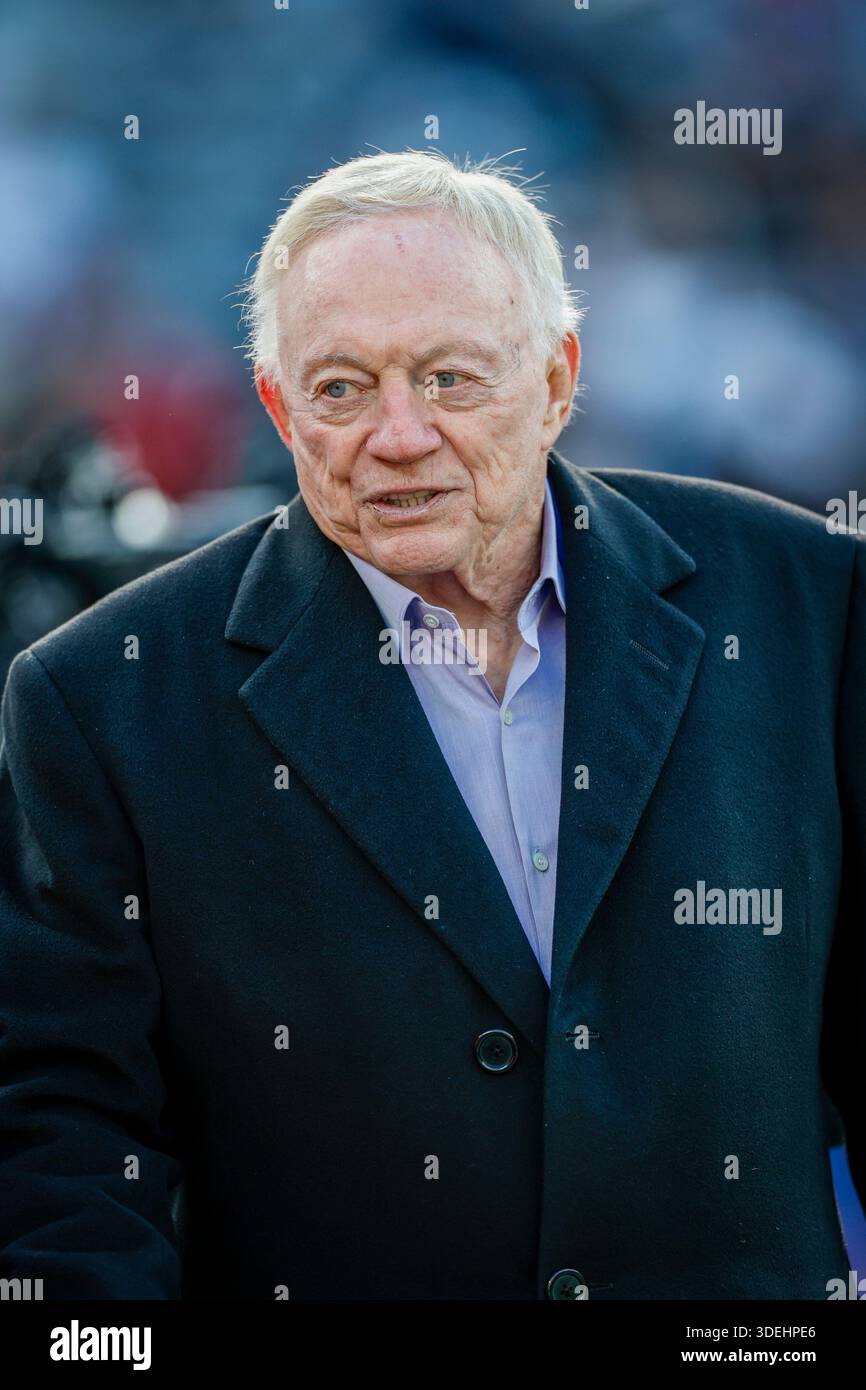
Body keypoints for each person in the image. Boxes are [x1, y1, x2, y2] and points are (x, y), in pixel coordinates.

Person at [0, 149, 863, 1301]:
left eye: (451, 379)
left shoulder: (808, 603)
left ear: (557, 379)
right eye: (341, 388)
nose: (397, 435)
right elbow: (62, 1139)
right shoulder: (100, 698)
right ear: (277, 405)